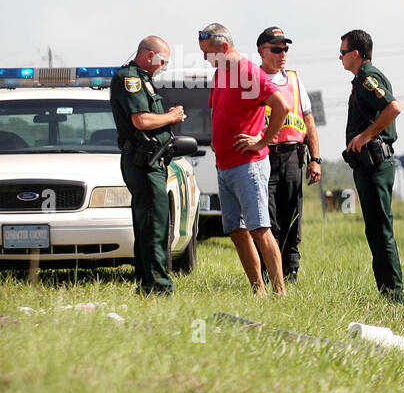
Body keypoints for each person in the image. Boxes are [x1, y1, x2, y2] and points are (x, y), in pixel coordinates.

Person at [198, 23, 290, 296]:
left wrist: (261, 141)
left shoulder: (248, 71)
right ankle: (258, 289)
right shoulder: (220, 74)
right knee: (236, 231)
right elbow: (220, 111)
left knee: (259, 228)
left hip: (248, 165)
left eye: (208, 53)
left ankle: (280, 292)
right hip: (224, 165)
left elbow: (281, 106)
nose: (205, 59)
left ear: (224, 48)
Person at [110, 36, 184, 295]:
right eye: (162, 60)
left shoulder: (144, 80)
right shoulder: (130, 79)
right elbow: (141, 121)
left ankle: (148, 283)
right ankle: (158, 287)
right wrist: (171, 116)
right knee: (154, 225)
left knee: (150, 223)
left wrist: (167, 119)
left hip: (152, 162)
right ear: (149, 54)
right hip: (144, 162)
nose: (164, 66)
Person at [341, 29, 404, 302]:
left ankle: (393, 296)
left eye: (343, 52)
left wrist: (366, 135)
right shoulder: (360, 80)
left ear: (356, 53)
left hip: (377, 165)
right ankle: (387, 292)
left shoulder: (368, 77)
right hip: (368, 166)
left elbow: (394, 107)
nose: (339, 57)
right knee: (375, 230)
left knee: (381, 230)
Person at [255, 26, 322, 283]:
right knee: (267, 217)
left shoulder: (294, 80)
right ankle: (267, 270)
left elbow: (309, 121)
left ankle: (290, 270)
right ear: (262, 51)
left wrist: (315, 159)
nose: (283, 53)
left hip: (293, 156)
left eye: (285, 48)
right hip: (264, 156)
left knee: (292, 215)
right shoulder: (254, 80)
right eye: (276, 49)